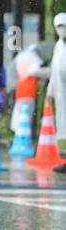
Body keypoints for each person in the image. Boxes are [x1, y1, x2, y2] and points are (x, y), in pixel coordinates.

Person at [48, 13, 66, 173]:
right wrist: (50, 92)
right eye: (59, 26)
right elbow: (54, 71)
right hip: (61, 95)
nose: (61, 29)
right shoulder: (59, 46)